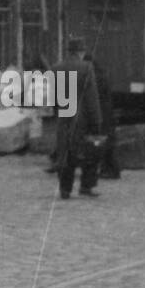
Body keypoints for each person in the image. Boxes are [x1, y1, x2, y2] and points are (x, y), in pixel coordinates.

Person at [54, 37, 101, 200]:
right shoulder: (86, 68)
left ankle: (65, 189)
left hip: (64, 116)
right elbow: (91, 97)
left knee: (64, 152)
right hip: (82, 118)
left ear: (68, 51)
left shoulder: (57, 68)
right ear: (81, 52)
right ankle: (86, 186)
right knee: (87, 151)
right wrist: (96, 121)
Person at [86, 52, 120, 180]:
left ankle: (109, 169)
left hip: (101, 114)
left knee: (100, 143)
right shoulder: (101, 75)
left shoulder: (95, 77)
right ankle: (111, 169)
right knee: (107, 142)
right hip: (107, 114)